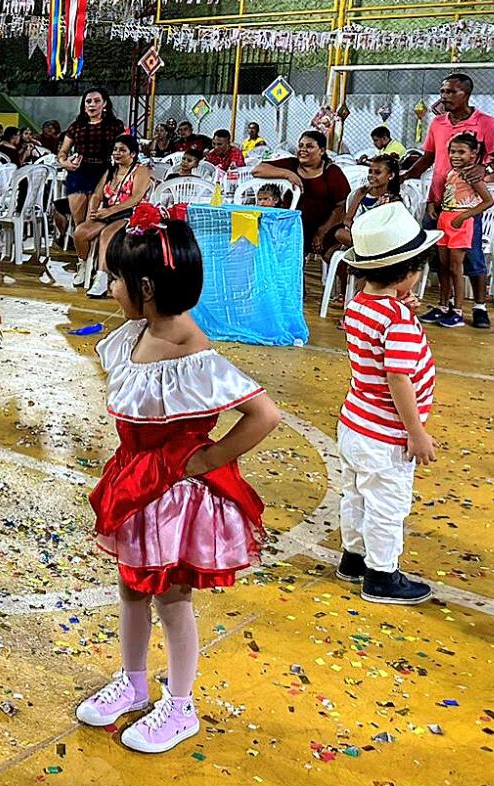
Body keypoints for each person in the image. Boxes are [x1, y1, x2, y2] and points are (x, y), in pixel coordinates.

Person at [75, 203, 279, 753]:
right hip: (137, 485)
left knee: (172, 600)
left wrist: (205, 462)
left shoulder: (192, 351)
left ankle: (180, 704)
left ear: (144, 285)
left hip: (175, 498)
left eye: (114, 278)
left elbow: (265, 415)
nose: (108, 286)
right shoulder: (138, 330)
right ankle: (135, 681)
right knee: (131, 588)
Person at [336, 203, 440, 604]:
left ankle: (354, 557)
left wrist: (400, 306)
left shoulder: (361, 304)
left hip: (355, 423)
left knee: (357, 493)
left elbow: (377, 332)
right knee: (387, 503)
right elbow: (398, 376)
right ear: (411, 270)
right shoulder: (396, 320)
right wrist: (416, 432)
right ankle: (381, 574)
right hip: (386, 434)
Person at [406, 74, 494, 330]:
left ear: (466, 94)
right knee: (441, 259)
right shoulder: (438, 123)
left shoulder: (486, 123)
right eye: (442, 91)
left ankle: (480, 307)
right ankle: (445, 304)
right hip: (439, 201)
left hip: (466, 205)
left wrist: (485, 170)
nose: (445, 96)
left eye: (451, 92)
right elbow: (429, 159)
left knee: (471, 256)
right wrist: (405, 177)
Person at [424, 133, 494, 329]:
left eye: (461, 152)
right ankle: (443, 305)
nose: (455, 156)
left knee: (456, 268)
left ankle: (458, 310)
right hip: (445, 219)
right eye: (452, 151)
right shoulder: (451, 173)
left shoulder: (472, 175)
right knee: (443, 267)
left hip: (460, 223)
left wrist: (464, 216)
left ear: (473, 154)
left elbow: (488, 201)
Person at [75, 136, 151, 300]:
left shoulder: (141, 170)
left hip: (131, 214)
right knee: (80, 232)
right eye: (115, 149)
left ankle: (102, 279)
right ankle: (83, 264)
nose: (117, 153)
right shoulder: (111, 170)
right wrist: (93, 211)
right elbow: (96, 195)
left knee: (107, 234)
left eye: (122, 150)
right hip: (108, 213)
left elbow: (136, 198)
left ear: (133, 153)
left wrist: (109, 211)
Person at [253, 130, 352, 252]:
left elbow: (341, 206)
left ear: (321, 150)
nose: (303, 149)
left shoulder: (332, 172)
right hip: (290, 226)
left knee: (331, 252)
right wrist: (287, 174)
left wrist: (322, 231)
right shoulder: (292, 164)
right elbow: (257, 170)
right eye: (300, 145)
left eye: (309, 146)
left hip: (323, 226)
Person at [58, 89, 127, 247]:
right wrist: (65, 162)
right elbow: (63, 151)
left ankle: (93, 257)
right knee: (79, 220)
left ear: (104, 104)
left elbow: (125, 148)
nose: (92, 104)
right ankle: (83, 258)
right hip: (79, 171)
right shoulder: (76, 126)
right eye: (88, 101)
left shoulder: (115, 125)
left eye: (96, 101)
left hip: (105, 171)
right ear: (84, 106)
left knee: (92, 219)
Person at [330, 154, 402, 250]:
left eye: (377, 173)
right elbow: (347, 219)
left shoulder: (393, 200)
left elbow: (389, 229)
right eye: (370, 172)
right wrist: (359, 232)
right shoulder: (361, 192)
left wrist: (382, 208)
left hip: (380, 239)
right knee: (340, 234)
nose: (371, 176)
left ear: (391, 175)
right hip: (359, 235)